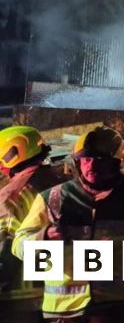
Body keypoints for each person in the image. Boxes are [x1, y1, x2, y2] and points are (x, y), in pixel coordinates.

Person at [14, 126, 124, 322]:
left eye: (101, 161)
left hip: (115, 311)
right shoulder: (52, 198)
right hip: (61, 312)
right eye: (86, 160)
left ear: (116, 163)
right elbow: (19, 244)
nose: (91, 166)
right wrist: (43, 237)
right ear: (77, 162)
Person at [0, 126, 63, 322]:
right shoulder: (64, 185)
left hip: (20, 298)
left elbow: (3, 249)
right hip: (61, 295)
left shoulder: (11, 196)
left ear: (13, 154)